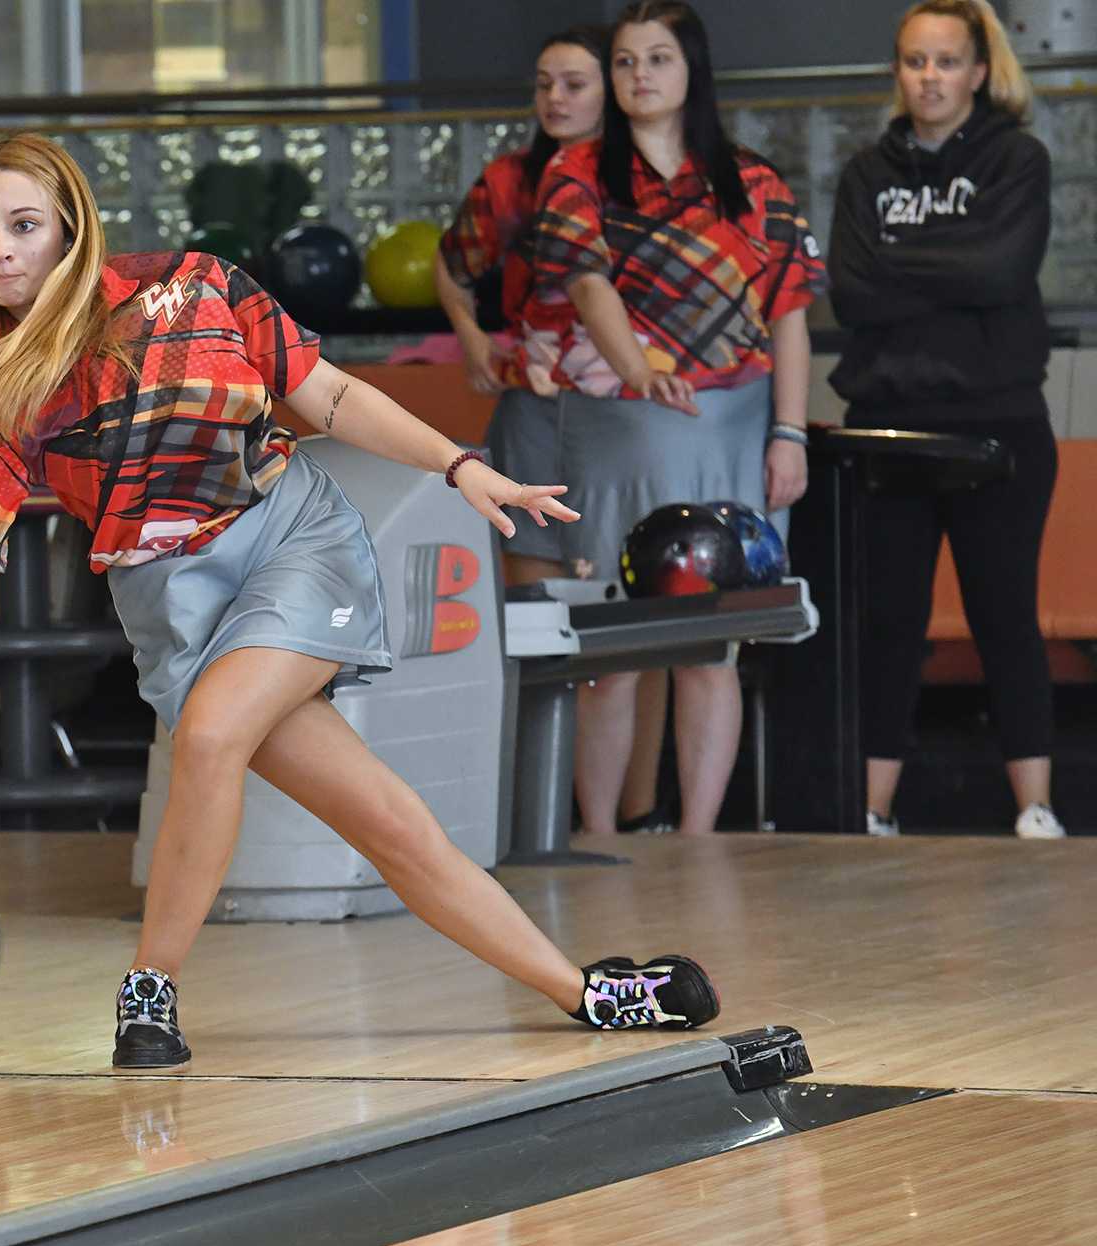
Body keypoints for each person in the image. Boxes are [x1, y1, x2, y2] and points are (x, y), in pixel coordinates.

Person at [0, 133, 721, 1070]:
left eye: (24, 225)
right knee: (394, 826)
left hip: (291, 541)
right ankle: (590, 992)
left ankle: (148, 989)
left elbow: (324, 396)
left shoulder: (193, 287)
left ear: (73, 232)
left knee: (208, 736)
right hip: (170, 600)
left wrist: (459, 465)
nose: (1, 249)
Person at [530, 0, 827, 835]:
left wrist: (790, 433)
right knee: (611, 648)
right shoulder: (578, 173)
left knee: (712, 645)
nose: (639, 77)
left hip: (735, 424)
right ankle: (595, 832)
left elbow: (791, 314)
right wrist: (640, 369)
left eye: (656, 59)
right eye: (625, 62)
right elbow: (586, 285)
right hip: (621, 427)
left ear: (691, 69)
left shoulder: (755, 181)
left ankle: (697, 836)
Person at [829, 0, 1063, 840]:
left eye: (946, 62)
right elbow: (851, 291)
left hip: (998, 425)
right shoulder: (864, 173)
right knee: (888, 624)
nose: (929, 78)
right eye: (914, 61)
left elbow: (1004, 273)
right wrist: (953, 262)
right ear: (897, 71)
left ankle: (1035, 808)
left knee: (1005, 616)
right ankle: (870, 811)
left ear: (978, 70)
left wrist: (902, 265)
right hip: (888, 431)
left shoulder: (1018, 159)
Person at [434, 24, 610, 588]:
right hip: (535, 398)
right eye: (544, 85)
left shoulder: (644, 181)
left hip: (625, 405)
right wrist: (469, 333)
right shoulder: (511, 181)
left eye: (575, 84)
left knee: (625, 594)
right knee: (536, 586)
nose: (556, 98)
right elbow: (451, 264)